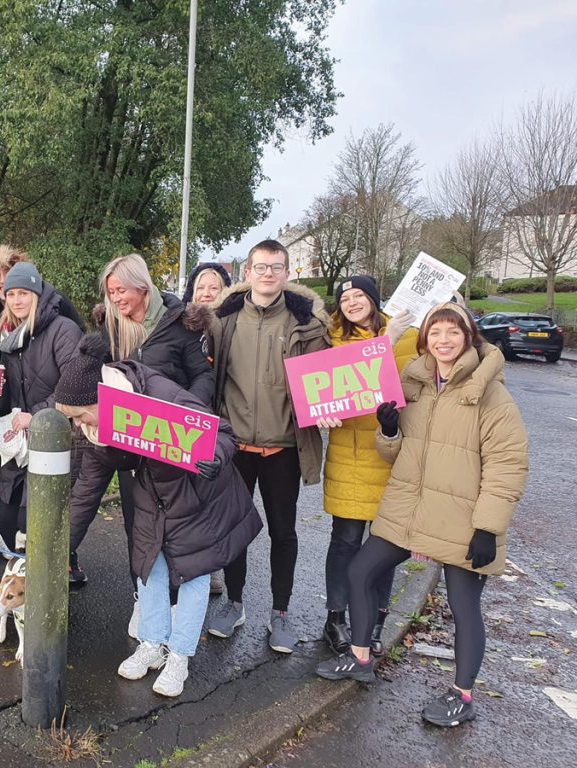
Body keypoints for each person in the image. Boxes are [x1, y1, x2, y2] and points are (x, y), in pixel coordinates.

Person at [317, 302, 528, 728]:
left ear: (468, 338)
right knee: (360, 572)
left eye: (453, 332)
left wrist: (487, 527)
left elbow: (508, 464)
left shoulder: (491, 393)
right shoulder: (413, 384)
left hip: (462, 517)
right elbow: (393, 452)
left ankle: (462, 694)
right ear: (425, 338)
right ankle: (360, 657)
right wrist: (389, 429)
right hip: (408, 508)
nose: (444, 340)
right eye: (436, 332)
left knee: (463, 604)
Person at [54, 334, 261, 697]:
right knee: (148, 565)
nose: (78, 425)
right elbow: (86, 492)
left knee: (193, 572)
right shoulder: (95, 427)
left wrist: (215, 456)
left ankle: (179, 655)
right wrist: (55, 556)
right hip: (152, 494)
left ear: (102, 397)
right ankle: (151, 643)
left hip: (198, 494)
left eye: (80, 415)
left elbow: (223, 433)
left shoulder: (159, 392)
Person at [70, 253, 215, 633]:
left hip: (170, 438)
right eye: (110, 292)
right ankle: (144, 598)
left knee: (170, 524)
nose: (116, 298)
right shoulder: (111, 326)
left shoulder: (180, 324)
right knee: (137, 523)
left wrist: (191, 414)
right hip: (126, 437)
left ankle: (173, 605)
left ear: (142, 286)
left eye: (122, 290)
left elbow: (203, 375)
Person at [205, 239, 329, 653]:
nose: (268, 274)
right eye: (260, 266)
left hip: (284, 448)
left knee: (283, 533)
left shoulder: (307, 323)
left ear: (287, 273)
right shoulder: (223, 320)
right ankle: (235, 604)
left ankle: (280, 614)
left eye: (276, 267)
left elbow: (324, 379)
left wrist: (326, 406)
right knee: (235, 530)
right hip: (235, 445)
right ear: (247, 272)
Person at [316, 276, 417, 656]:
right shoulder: (334, 339)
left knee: (384, 546)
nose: (352, 302)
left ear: (375, 299)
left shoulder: (407, 333)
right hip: (350, 454)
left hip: (394, 453)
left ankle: (375, 622)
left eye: (360, 295)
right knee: (344, 542)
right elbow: (329, 385)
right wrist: (320, 410)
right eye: (345, 297)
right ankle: (336, 619)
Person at [0, 262, 82, 555]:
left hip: (55, 438)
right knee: (5, 521)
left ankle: (46, 584)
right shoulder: (8, 336)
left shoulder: (62, 330)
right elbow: (11, 396)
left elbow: (77, 387)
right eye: (11, 294)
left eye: (24, 293)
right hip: (19, 444)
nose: (16, 300)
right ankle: (27, 577)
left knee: (32, 522)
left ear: (37, 294)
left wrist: (38, 415)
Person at [181, 262, 233, 596]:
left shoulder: (233, 323)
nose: (207, 292)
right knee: (190, 498)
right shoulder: (183, 326)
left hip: (226, 418)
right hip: (191, 416)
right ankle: (190, 562)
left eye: (214, 286)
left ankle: (214, 567)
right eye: (201, 286)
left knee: (217, 499)